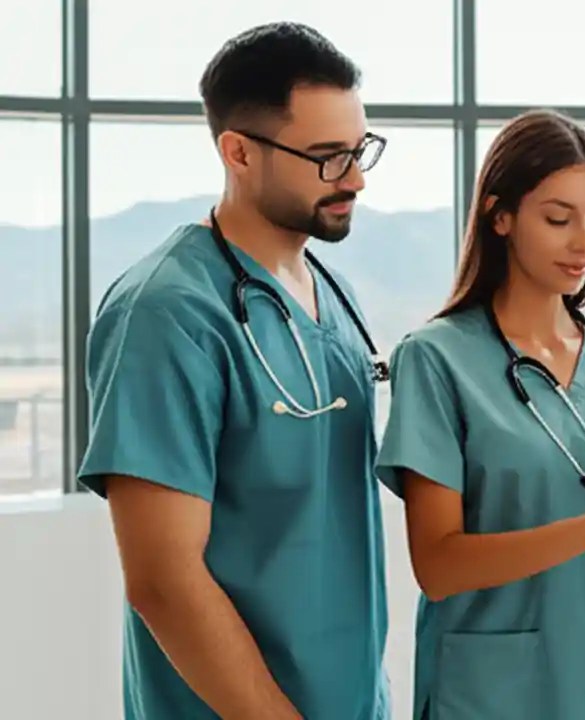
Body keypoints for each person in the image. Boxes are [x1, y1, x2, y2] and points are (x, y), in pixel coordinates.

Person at [77, 22, 390, 720]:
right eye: (327, 158)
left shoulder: (333, 295)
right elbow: (163, 581)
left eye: (359, 149)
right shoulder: (167, 312)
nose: (356, 178)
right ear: (239, 152)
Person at [374, 109, 585, 720]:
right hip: (492, 693)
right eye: (558, 219)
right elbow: (438, 565)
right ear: (501, 216)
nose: (584, 243)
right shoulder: (437, 360)